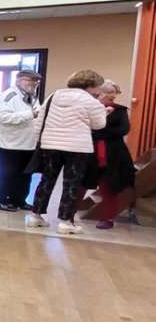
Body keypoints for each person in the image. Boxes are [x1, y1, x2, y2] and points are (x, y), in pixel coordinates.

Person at [26, 69, 108, 234]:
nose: (98, 90)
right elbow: (99, 125)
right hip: (78, 147)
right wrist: (104, 112)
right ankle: (65, 221)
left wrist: (39, 141)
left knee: (46, 180)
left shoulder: (54, 96)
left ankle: (36, 216)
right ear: (91, 85)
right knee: (71, 183)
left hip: (50, 145)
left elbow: (39, 121)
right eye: (97, 87)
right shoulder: (90, 101)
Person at [0, 70, 42, 211]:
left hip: (27, 144)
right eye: (30, 80)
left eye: (36, 81)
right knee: (5, 174)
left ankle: (18, 200)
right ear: (19, 81)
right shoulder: (8, 96)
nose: (34, 84)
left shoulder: (32, 96)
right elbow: (3, 117)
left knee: (25, 175)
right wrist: (30, 114)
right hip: (7, 144)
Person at [90, 80, 137, 230]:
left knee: (109, 187)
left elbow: (123, 130)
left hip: (113, 155)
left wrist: (97, 132)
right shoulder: (90, 108)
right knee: (80, 185)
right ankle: (68, 215)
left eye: (115, 92)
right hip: (89, 152)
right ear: (99, 92)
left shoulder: (120, 110)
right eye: (109, 92)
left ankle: (108, 217)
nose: (113, 95)